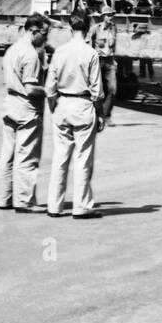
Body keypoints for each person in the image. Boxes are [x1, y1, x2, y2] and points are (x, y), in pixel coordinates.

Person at [46, 12, 103, 219]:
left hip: (62, 103)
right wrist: (101, 113)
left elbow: (50, 87)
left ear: (71, 28)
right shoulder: (91, 54)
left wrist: (54, 106)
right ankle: (81, 206)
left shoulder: (59, 52)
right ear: (88, 29)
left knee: (60, 157)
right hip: (83, 104)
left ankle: (54, 205)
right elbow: (97, 91)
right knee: (82, 158)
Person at [0, 14, 49, 212]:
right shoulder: (30, 54)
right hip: (26, 107)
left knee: (7, 155)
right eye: (44, 33)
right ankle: (24, 201)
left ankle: (5, 198)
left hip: (9, 103)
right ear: (33, 31)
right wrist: (50, 91)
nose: (45, 38)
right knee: (26, 156)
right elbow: (30, 88)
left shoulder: (12, 49)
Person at [88, 8, 118, 126]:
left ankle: (106, 116)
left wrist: (115, 59)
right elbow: (89, 43)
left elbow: (114, 44)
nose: (111, 17)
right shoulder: (96, 28)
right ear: (103, 16)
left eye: (112, 15)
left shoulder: (114, 28)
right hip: (98, 61)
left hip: (110, 61)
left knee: (112, 89)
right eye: (109, 15)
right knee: (97, 90)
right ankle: (95, 115)